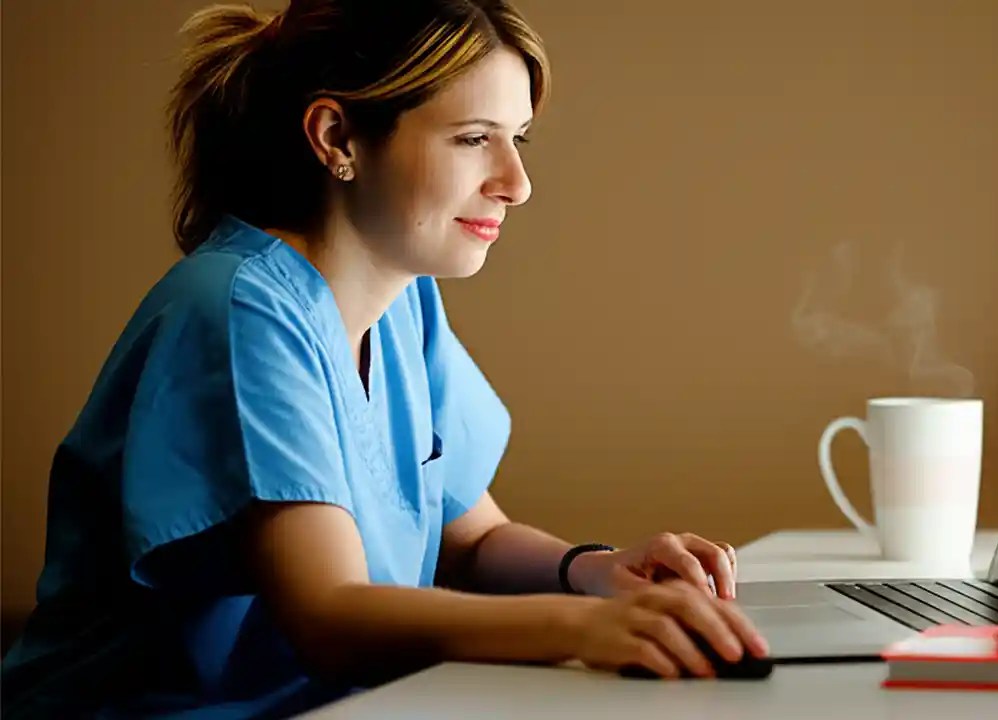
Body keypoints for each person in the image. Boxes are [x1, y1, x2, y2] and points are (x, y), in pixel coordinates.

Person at [0, 1, 769, 717]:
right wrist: (583, 630)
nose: (517, 184)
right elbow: (329, 614)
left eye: (517, 139)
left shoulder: (404, 304)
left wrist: (597, 572)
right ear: (336, 138)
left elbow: (472, 539)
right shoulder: (239, 306)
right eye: (474, 139)